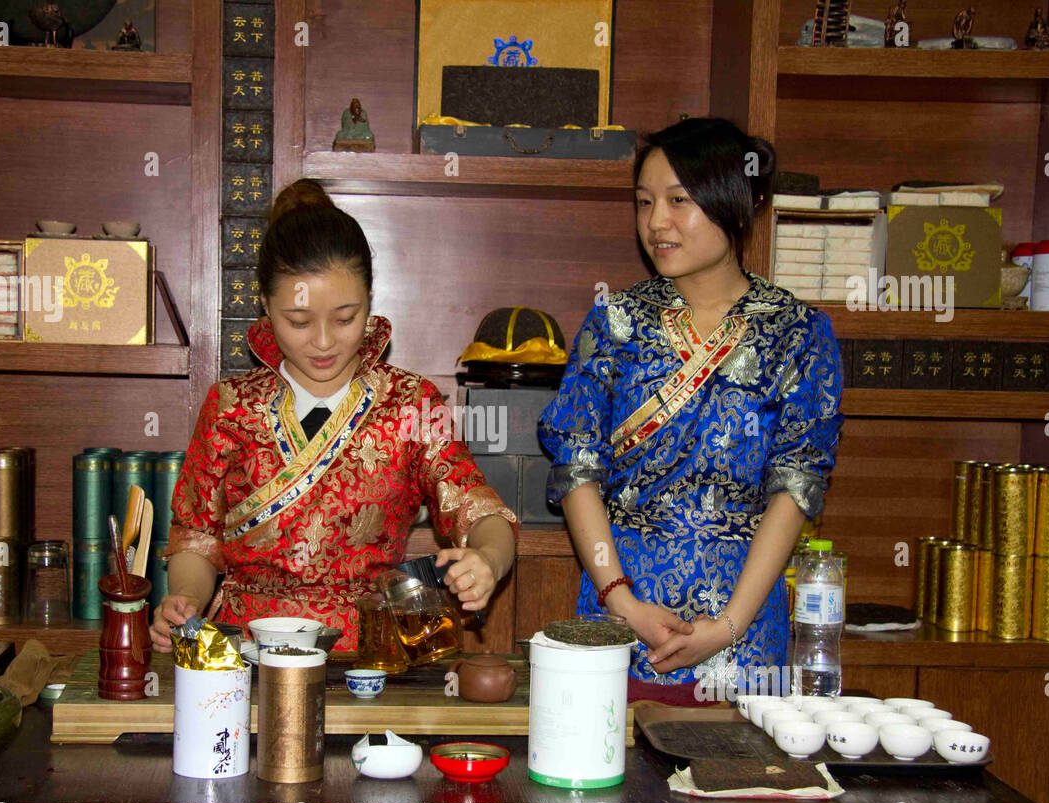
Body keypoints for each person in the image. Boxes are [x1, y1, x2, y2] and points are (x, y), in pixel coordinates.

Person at [538, 117, 843, 701]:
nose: (656, 222)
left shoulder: (798, 332)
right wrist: (621, 601)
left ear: (734, 202)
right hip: (618, 619)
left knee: (736, 785)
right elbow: (577, 469)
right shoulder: (615, 324)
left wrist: (728, 626)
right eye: (645, 202)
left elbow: (796, 487)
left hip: (743, 633)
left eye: (680, 201)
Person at [151, 180, 517, 652]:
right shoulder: (230, 406)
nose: (323, 342)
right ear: (265, 306)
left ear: (370, 298)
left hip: (373, 653)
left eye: (345, 318)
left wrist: (487, 558)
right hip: (246, 654)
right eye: (299, 322)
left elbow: (482, 511)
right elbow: (197, 538)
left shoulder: (409, 402)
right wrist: (184, 598)